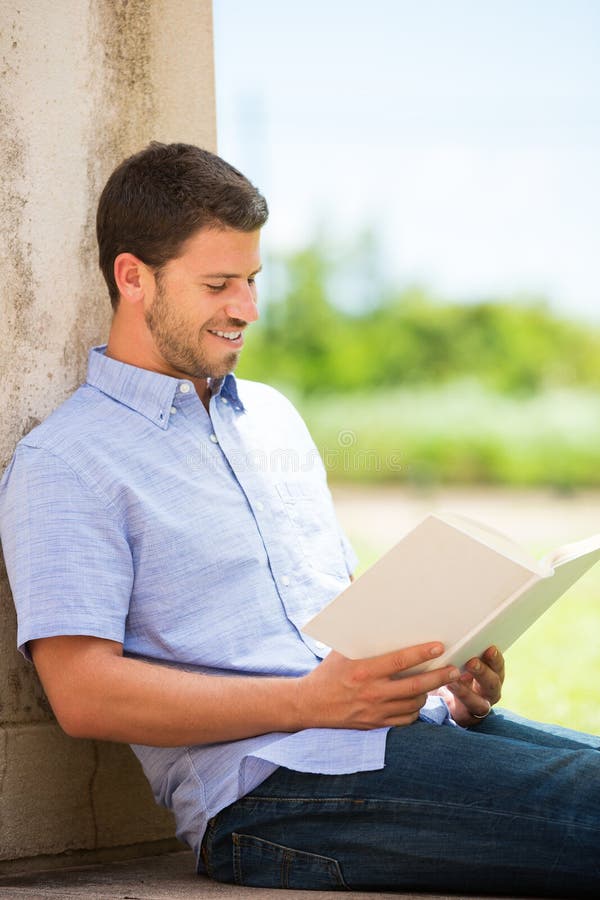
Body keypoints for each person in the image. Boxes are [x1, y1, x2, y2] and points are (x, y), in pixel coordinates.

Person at [0, 142, 598, 897]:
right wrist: (306, 702)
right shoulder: (66, 461)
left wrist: (439, 681)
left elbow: (339, 626)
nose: (247, 309)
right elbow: (82, 693)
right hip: (270, 797)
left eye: (251, 280)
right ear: (133, 278)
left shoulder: (274, 420)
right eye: (218, 284)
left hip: (394, 739)